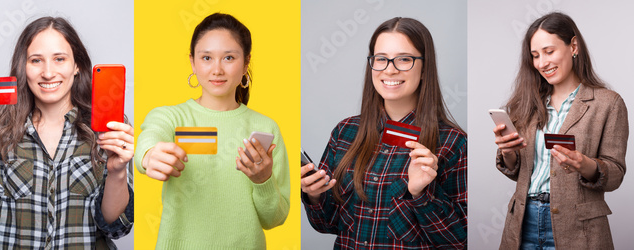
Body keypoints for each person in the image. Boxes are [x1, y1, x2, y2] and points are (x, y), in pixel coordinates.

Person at [0, 16, 135, 249]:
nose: (48, 73)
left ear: (76, 65)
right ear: (23, 67)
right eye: (36, 60)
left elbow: (115, 227)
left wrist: (117, 171)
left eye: (59, 59)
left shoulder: (111, 129)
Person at [300, 17, 467, 249]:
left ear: (424, 68)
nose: (390, 69)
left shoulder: (452, 142)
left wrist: (421, 194)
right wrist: (314, 195)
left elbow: (459, 241)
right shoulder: (344, 132)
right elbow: (326, 224)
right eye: (381, 59)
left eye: (404, 59)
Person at [135, 13, 289, 249]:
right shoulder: (171, 117)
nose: (217, 69)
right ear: (193, 62)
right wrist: (148, 155)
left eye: (229, 58)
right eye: (206, 57)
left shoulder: (266, 128)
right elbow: (151, 136)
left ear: (246, 63)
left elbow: (274, 219)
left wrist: (263, 181)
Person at [493, 12, 627, 250]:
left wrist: (585, 164)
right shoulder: (525, 105)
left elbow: (615, 174)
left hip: (579, 228)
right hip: (523, 223)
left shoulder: (608, 103)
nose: (542, 63)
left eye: (549, 51)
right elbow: (518, 173)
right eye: (535, 56)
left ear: (573, 46)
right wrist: (508, 152)